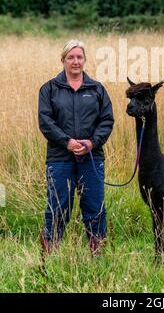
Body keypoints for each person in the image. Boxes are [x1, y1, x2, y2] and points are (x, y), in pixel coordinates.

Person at [38, 39, 114, 255]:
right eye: (71, 57)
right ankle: (50, 254)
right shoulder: (49, 89)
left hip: (92, 157)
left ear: (85, 60)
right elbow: (45, 122)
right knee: (58, 207)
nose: (75, 61)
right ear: (63, 60)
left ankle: (97, 253)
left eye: (79, 57)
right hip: (59, 158)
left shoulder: (97, 89)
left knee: (94, 207)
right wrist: (67, 142)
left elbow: (107, 120)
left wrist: (91, 142)